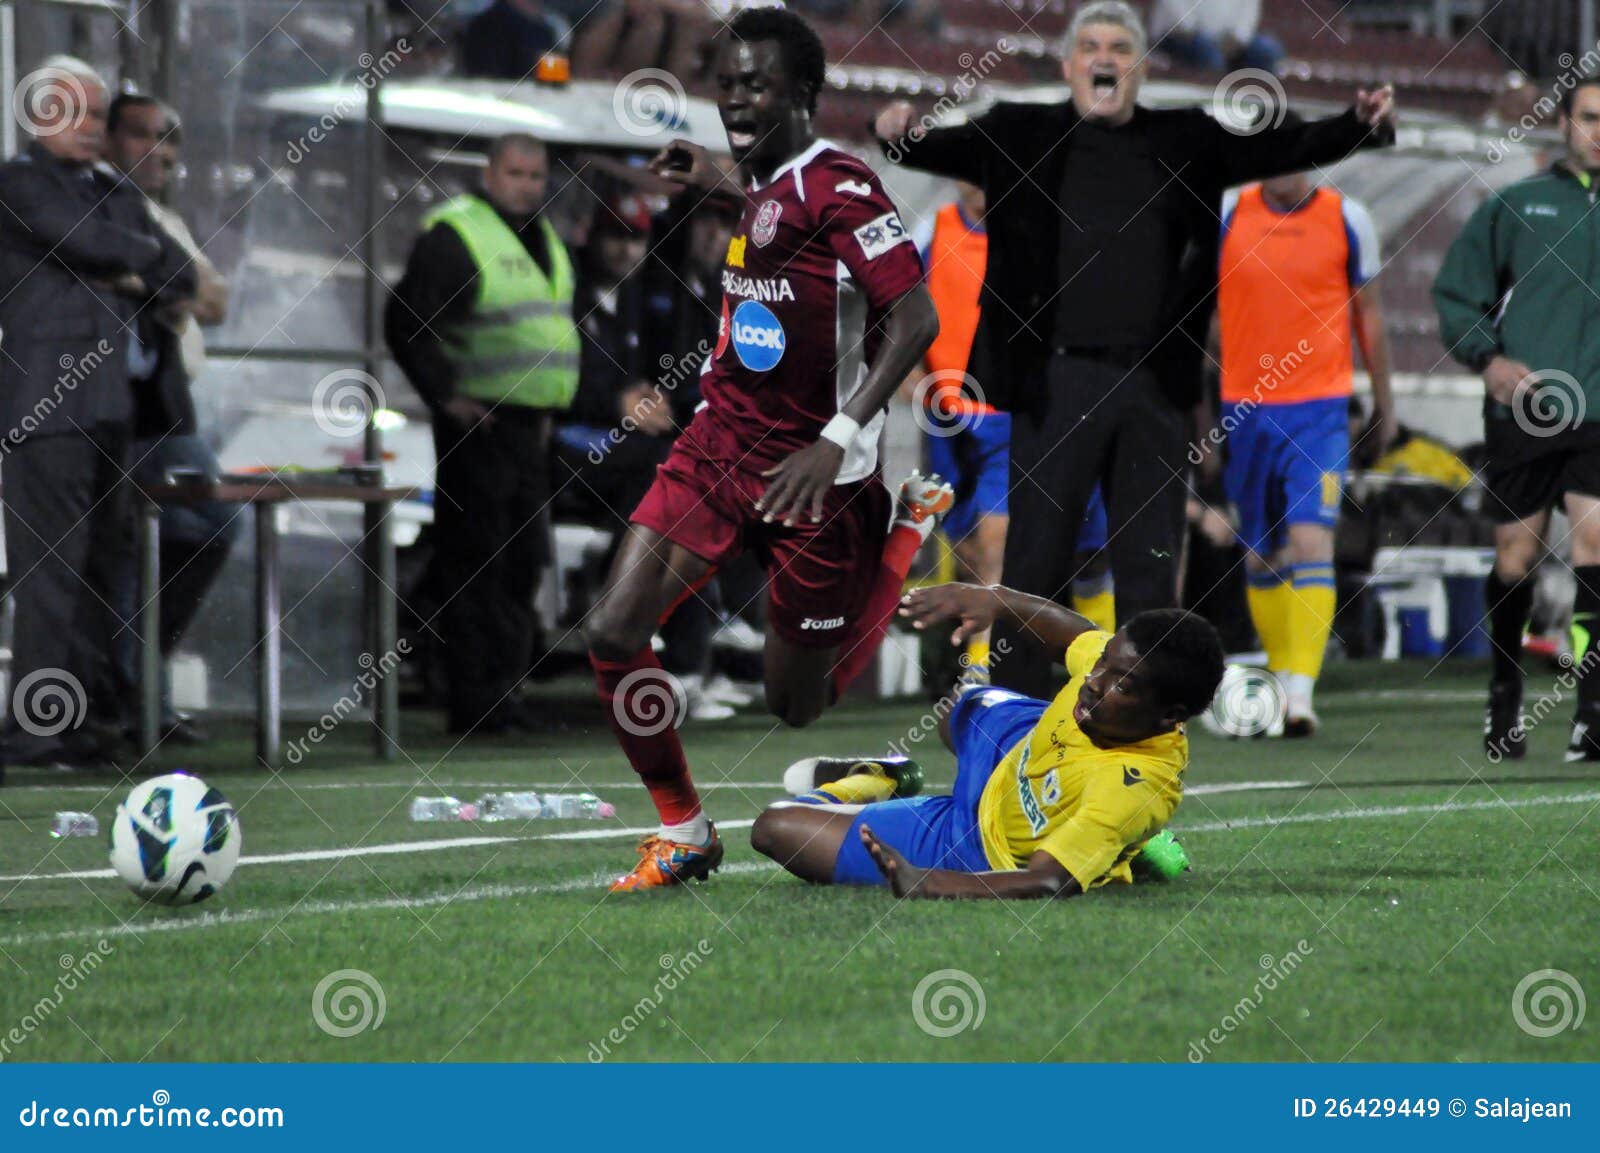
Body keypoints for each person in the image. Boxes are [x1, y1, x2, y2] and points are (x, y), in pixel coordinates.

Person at [872, 0, 1396, 699]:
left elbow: (1276, 151)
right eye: (1089, 44)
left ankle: (1153, 719)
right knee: (1035, 562)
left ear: (1141, 67)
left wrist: (1356, 126)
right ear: (1069, 65)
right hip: (1052, 384)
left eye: (1120, 45)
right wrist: (897, 132)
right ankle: (1012, 716)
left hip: (1153, 386)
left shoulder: (1184, 137)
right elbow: (930, 147)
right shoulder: (1019, 130)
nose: (1104, 56)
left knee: (1150, 566)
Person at [583, 6, 945, 891]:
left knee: (798, 706)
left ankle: (901, 540)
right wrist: (713, 175)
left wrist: (836, 436)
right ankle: (685, 829)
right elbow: (772, 210)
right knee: (613, 630)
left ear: (804, 93)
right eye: (728, 82)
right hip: (717, 447)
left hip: (815, 478)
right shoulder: (758, 180)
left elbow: (918, 316)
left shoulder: (845, 183)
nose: (737, 98)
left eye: (757, 84)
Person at [750, 581, 1224, 898]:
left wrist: (930, 882)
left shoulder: (1129, 787)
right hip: (1018, 747)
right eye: (1102, 665)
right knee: (960, 705)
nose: (1094, 683)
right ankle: (895, 775)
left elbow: (1046, 881)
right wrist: (990, 597)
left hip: (974, 842)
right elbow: (1075, 636)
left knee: (774, 828)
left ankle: (867, 783)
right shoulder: (1112, 674)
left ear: (1170, 716)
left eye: (1121, 684)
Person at [0, 58, 195, 772]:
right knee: (48, 577)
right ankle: (32, 735)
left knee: (94, 574)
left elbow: (181, 271)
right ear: (37, 117)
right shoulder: (18, 182)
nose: (89, 129)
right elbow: (87, 242)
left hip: (115, 411)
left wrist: (126, 262)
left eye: (95, 116)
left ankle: (74, 725)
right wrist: (126, 262)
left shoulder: (111, 191)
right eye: (73, 114)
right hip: (45, 407)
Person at [385, 132, 580, 735]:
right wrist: (447, 396)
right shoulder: (459, 232)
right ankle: (475, 703)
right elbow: (405, 320)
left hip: (527, 428)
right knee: (477, 564)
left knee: (521, 565)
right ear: (491, 173)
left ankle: (505, 691)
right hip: (481, 428)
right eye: (516, 173)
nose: (528, 184)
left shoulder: (540, 236)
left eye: (536, 174)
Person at [1433, 77, 1600, 763]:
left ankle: (1591, 712)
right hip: (1525, 410)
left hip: (1599, 410)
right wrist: (1488, 361)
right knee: (1515, 559)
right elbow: (1456, 293)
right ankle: (1504, 692)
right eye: (1590, 117)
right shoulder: (1517, 205)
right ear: (1563, 122)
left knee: (1595, 550)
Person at [1211, 149, 1395, 735]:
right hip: (1243, 409)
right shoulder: (1224, 213)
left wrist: (1385, 402)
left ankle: (1299, 695)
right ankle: (1281, 674)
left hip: (1319, 410)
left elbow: (1369, 314)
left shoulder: (1348, 217)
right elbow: (1201, 316)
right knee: (1261, 552)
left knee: (1312, 538)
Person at [103, 94, 236, 746]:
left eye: (169, 140)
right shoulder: (100, 209)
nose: (161, 153)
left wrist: (162, 284)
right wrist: (166, 286)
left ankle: (143, 673)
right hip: (123, 408)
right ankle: (136, 700)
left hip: (172, 405)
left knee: (211, 523)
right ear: (110, 141)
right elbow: (165, 286)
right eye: (143, 136)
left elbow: (214, 297)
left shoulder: (165, 219)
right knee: (130, 549)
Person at [1150, 0, 1283, 75]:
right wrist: (1190, 29)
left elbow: (1250, 8)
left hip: (1228, 41)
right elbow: (1177, 12)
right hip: (1181, 36)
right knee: (1209, 53)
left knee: (1267, 51)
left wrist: (1239, 37)